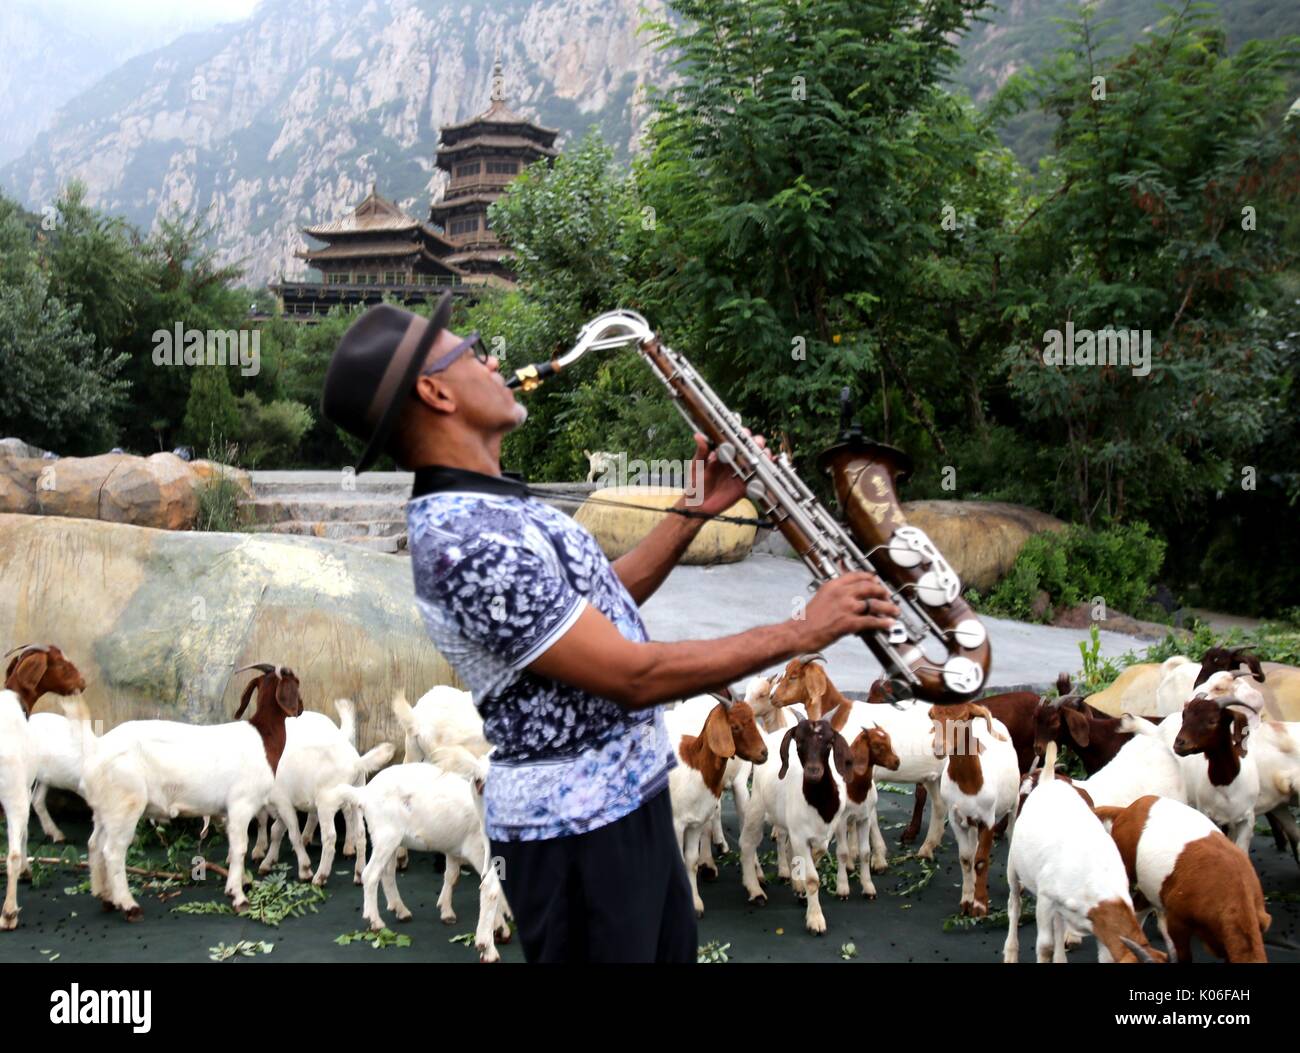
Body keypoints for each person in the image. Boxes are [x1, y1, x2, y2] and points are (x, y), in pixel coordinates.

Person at [320, 295, 899, 963]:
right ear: (435, 391)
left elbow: (599, 602)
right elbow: (630, 674)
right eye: (471, 350)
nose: (493, 360)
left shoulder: (488, 502)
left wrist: (693, 511)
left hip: (627, 807)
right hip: (576, 844)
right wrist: (801, 629)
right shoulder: (463, 541)